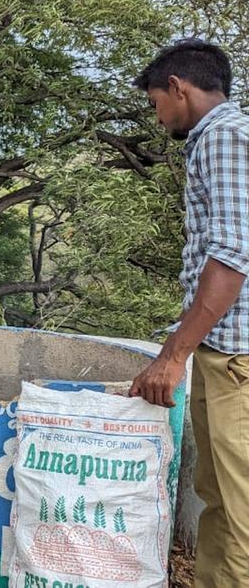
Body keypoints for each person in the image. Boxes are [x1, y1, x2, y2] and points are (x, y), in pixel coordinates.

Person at [128, 40, 249, 587]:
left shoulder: (223, 138)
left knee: (240, 512)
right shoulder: (216, 140)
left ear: (178, 87)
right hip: (222, 350)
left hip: (237, 360)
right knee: (219, 497)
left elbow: (231, 256)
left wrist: (172, 356)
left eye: (157, 104)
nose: (158, 119)